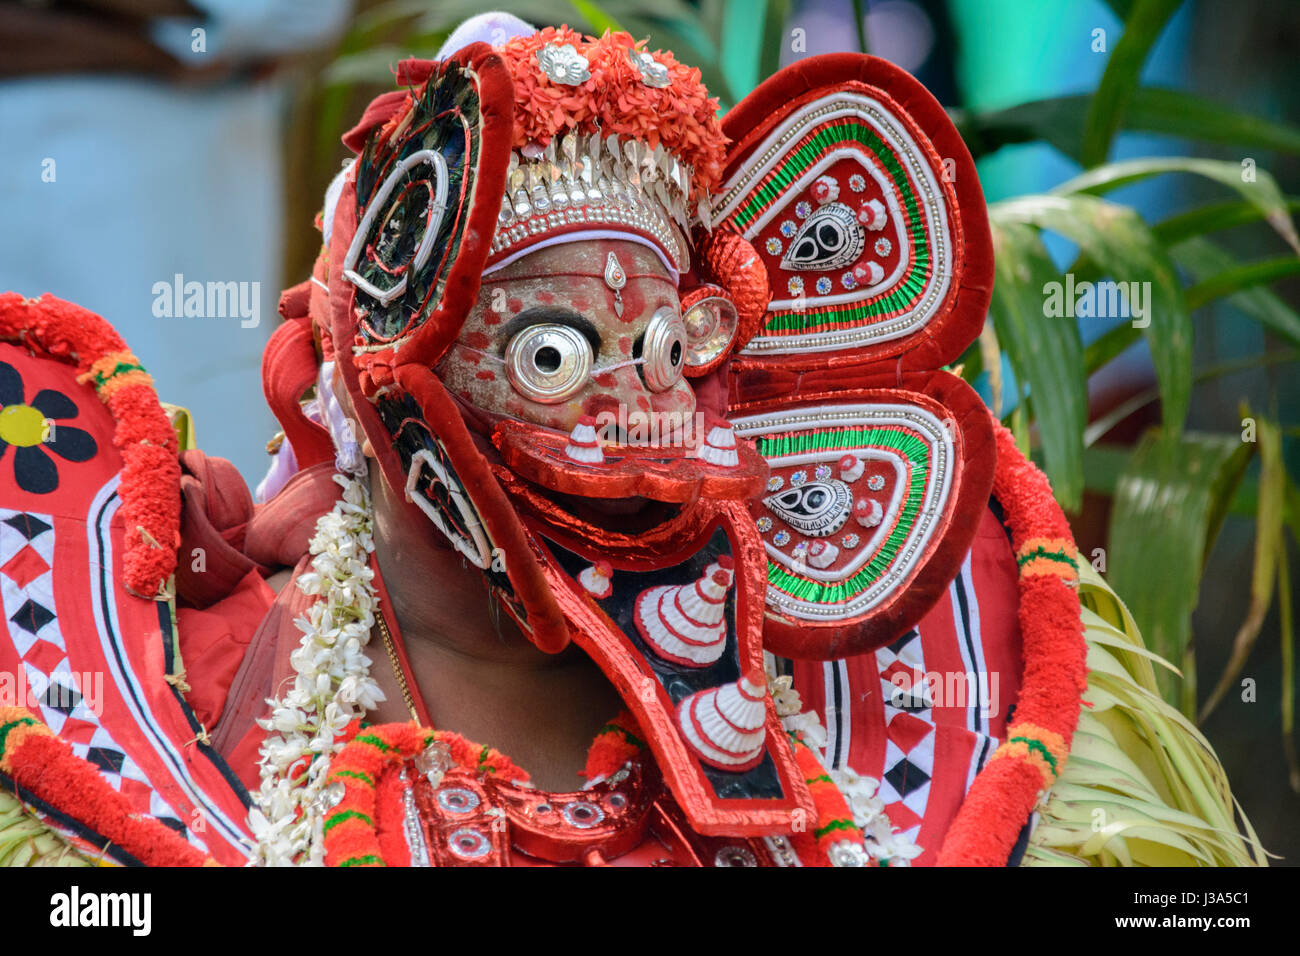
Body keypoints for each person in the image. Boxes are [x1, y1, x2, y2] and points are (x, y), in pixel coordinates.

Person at [0, 13, 1262, 867]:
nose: (631, 410)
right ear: (380, 396)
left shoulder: (873, 731)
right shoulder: (210, 718)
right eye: (550, 353)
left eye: (662, 349)